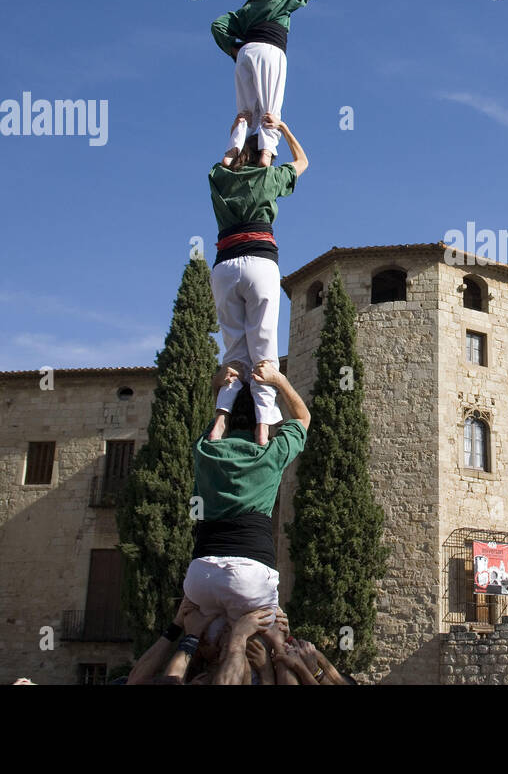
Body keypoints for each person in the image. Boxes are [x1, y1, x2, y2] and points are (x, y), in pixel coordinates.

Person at [183, 367, 309, 642]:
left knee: (207, 652)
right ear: (261, 421)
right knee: (264, 652)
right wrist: (280, 381)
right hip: (250, 575)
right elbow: (302, 417)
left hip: (201, 574)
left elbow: (218, 425)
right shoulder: (270, 455)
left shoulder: (205, 450)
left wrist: (220, 386)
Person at [209, 110, 308, 444]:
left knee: (234, 353)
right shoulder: (270, 177)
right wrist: (283, 128)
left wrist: (236, 131)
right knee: (264, 351)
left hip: (224, 267)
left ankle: (220, 421)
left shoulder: (220, 176)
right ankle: (263, 428)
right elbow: (303, 162)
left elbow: (226, 158)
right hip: (259, 263)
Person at [212, 0, 329, 165]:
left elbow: (217, 25)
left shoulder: (246, 9)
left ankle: (232, 151)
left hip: (246, 53)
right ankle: (266, 152)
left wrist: (233, 48)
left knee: (245, 112)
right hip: (270, 52)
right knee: (270, 109)